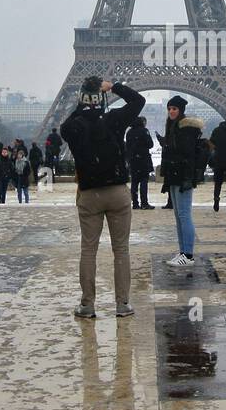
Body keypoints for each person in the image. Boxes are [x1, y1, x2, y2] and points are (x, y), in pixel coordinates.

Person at [60, 77, 145, 317]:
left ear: (82, 100)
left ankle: (87, 305)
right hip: (117, 191)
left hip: (89, 193)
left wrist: (85, 103)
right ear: (100, 100)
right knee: (121, 249)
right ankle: (123, 303)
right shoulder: (114, 120)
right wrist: (114, 86)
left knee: (88, 249)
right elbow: (138, 100)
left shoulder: (73, 128)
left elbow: (68, 123)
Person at [162, 96, 205, 266]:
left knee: (184, 215)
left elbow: (188, 156)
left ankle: (188, 255)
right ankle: (183, 252)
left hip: (182, 177)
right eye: (169, 108)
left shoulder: (185, 129)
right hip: (174, 175)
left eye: (174, 108)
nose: (171, 111)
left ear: (181, 110)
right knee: (179, 216)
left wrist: (187, 178)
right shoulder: (173, 127)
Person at [125, 117, 155, 209]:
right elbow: (150, 144)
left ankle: (135, 203)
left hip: (133, 160)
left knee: (134, 182)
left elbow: (127, 146)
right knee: (143, 181)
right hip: (143, 159)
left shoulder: (129, 132)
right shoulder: (144, 131)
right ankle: (144, 203)